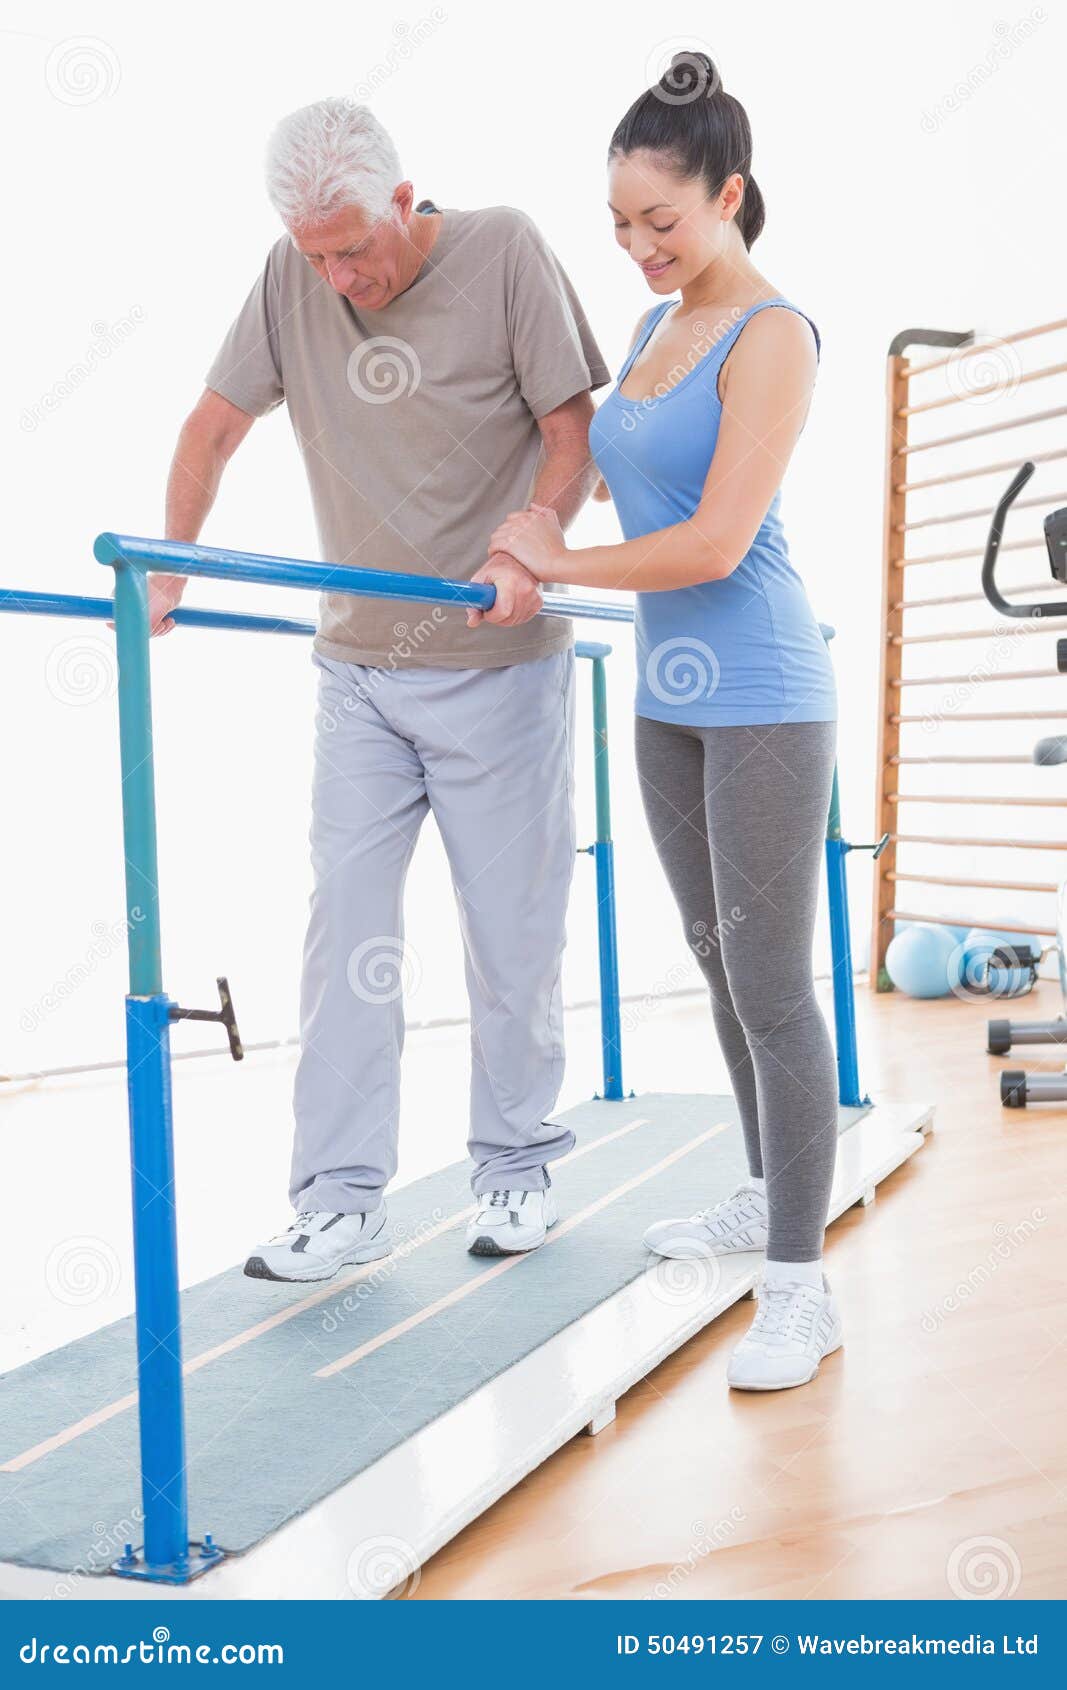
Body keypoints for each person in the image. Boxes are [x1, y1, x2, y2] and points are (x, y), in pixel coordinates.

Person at [157, 99, 608, 1281]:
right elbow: (210, 430)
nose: (337, 275)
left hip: (497, 667)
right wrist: (171, 557)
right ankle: (340, 1199)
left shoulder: (503, 249)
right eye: (315, 255)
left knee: (510, 940)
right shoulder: (289, 274)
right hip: (356, 672)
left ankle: (514, 1169)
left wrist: (524, 548)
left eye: (353, 247)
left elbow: (572, 435)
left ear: (405, 202)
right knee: (345, 932)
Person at [487, 51, 841, 1391]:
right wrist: (532, 540)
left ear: (729, 196)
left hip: (756, 690)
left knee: (770, 987)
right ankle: (763, 1197)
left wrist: (549, 565)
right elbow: (606, 490)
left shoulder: (772, 335)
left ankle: (801, 1290)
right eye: (619, 227)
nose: (636, 249)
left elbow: (708, 543)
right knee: (713, 964)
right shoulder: (650, 331)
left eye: (661, 223)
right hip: (665, 698)